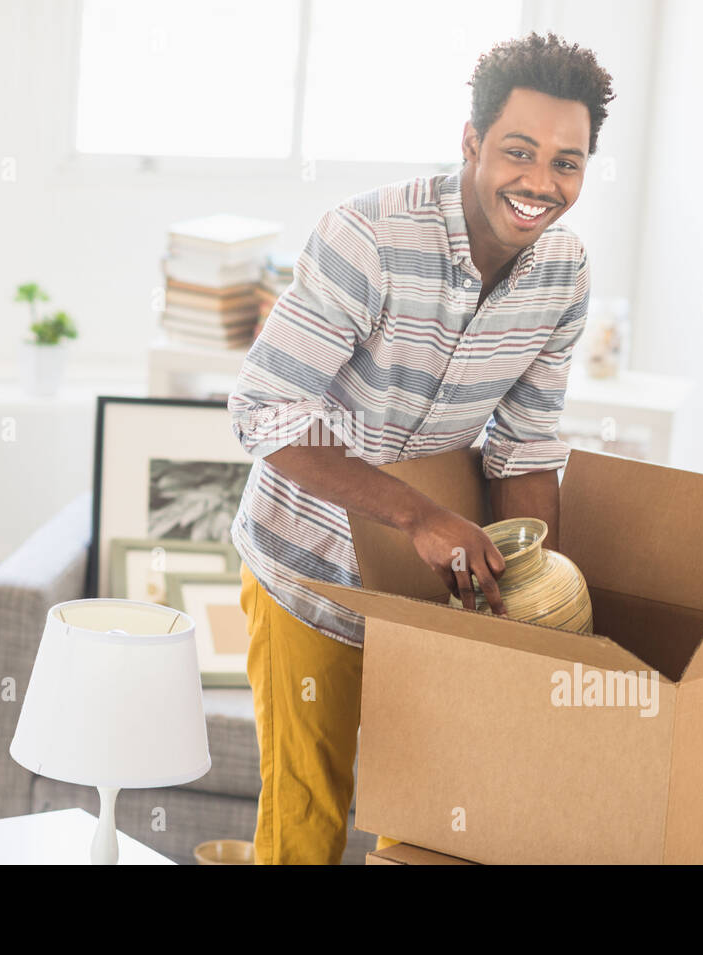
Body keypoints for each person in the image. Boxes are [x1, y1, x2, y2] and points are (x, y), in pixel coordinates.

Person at [227, 31, 615, 865]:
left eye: (567, 163)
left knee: (435, 827)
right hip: (309, 571)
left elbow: (527, 446)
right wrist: (420, 514)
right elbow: (263, 412)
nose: (541, 183)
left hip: (436, 597)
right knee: (304, 827)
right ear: (472, 144)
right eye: (519, 151)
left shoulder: (564, 273)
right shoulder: (368, 241)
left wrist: (547, 603)